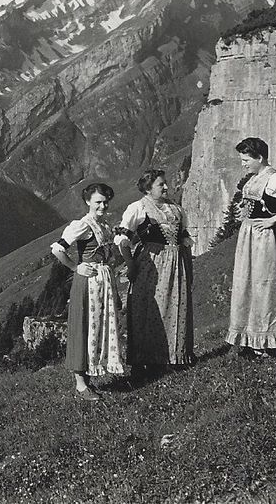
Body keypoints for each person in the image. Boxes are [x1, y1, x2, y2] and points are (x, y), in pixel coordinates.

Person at [226, 137, 276, 355]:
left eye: (246, 160)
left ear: (259, 157)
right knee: (247, 284)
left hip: (265, 238)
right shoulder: (255, 177)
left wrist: (273, 220)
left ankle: (268, 342)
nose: (243, 164)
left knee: (265, 284)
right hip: (248, 236)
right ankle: (250, 339)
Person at [50, 183, 125, 401]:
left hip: (103, 279)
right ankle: (80, 385)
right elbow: (58, 249)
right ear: (87, 202)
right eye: (98, 202)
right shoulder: (83, 225)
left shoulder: (103, 224)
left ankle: (89, 378)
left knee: (98, 326)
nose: (103, 206)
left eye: (105, 201)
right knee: (84, 326)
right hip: (89, 281)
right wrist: (76, 267)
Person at [116, 170, 195, 371]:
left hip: (177, 263)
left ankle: (175, 357)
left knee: (176, 306)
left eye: (165, 183)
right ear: (148, 189)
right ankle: (148, 361)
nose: (166, 187)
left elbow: (185, 239)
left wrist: (188, 266)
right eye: (161, 184)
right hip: (151, 264)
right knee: (151, 311)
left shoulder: (176, 209)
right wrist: (131, 265)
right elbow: (122, 240)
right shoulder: (138, 208)